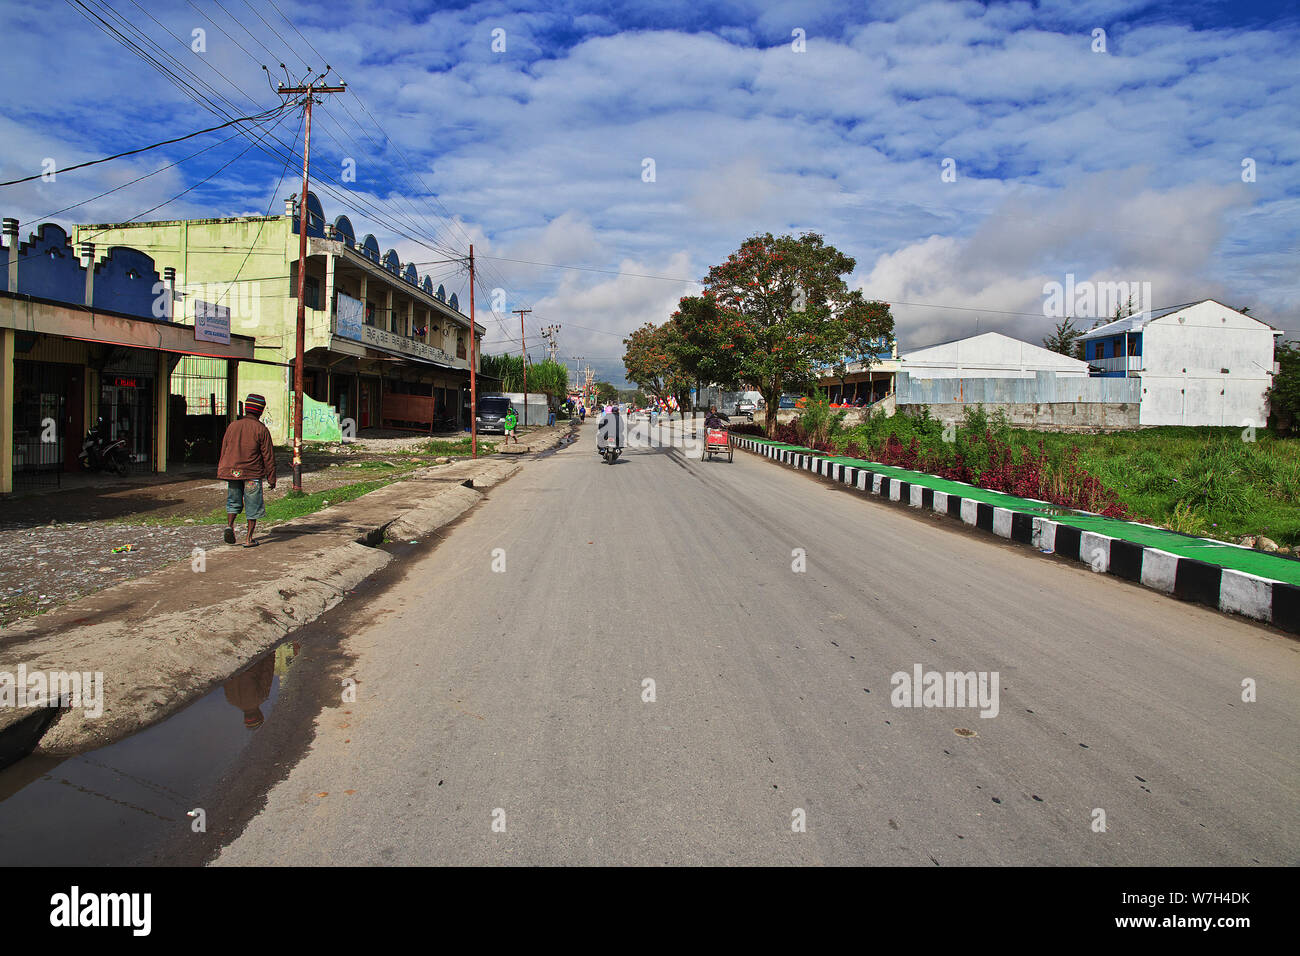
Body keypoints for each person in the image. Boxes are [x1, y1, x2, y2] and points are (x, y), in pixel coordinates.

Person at [218, 392, 277, 548]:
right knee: (253, 505)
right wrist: (271, 478)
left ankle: (229, 526)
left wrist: (223, 469)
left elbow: (224, 449)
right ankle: (249, 539)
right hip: (252, 473)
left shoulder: (232, 426)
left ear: (245, 408)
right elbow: (268, 456)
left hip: (233, 472)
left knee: (233, 501)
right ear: (260, 411)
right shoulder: (261, 429)